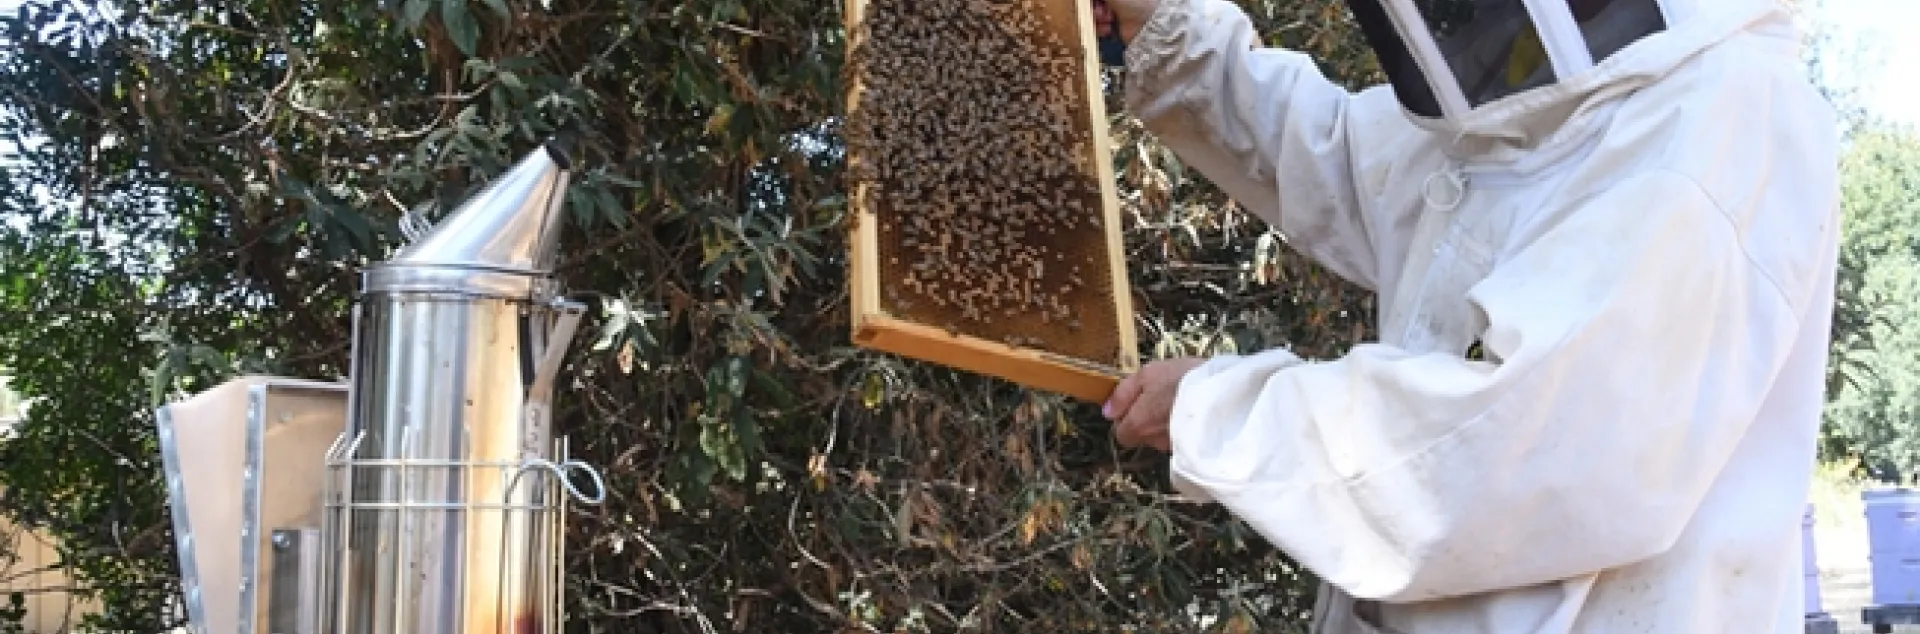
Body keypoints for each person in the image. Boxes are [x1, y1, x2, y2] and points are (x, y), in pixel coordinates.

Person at [1093, 0, 1842, 631]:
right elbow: (1347, 160)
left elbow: (1518, 448)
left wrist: (1217, 410)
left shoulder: (1718, 118)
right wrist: (1168, 29)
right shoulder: (1536, 100)